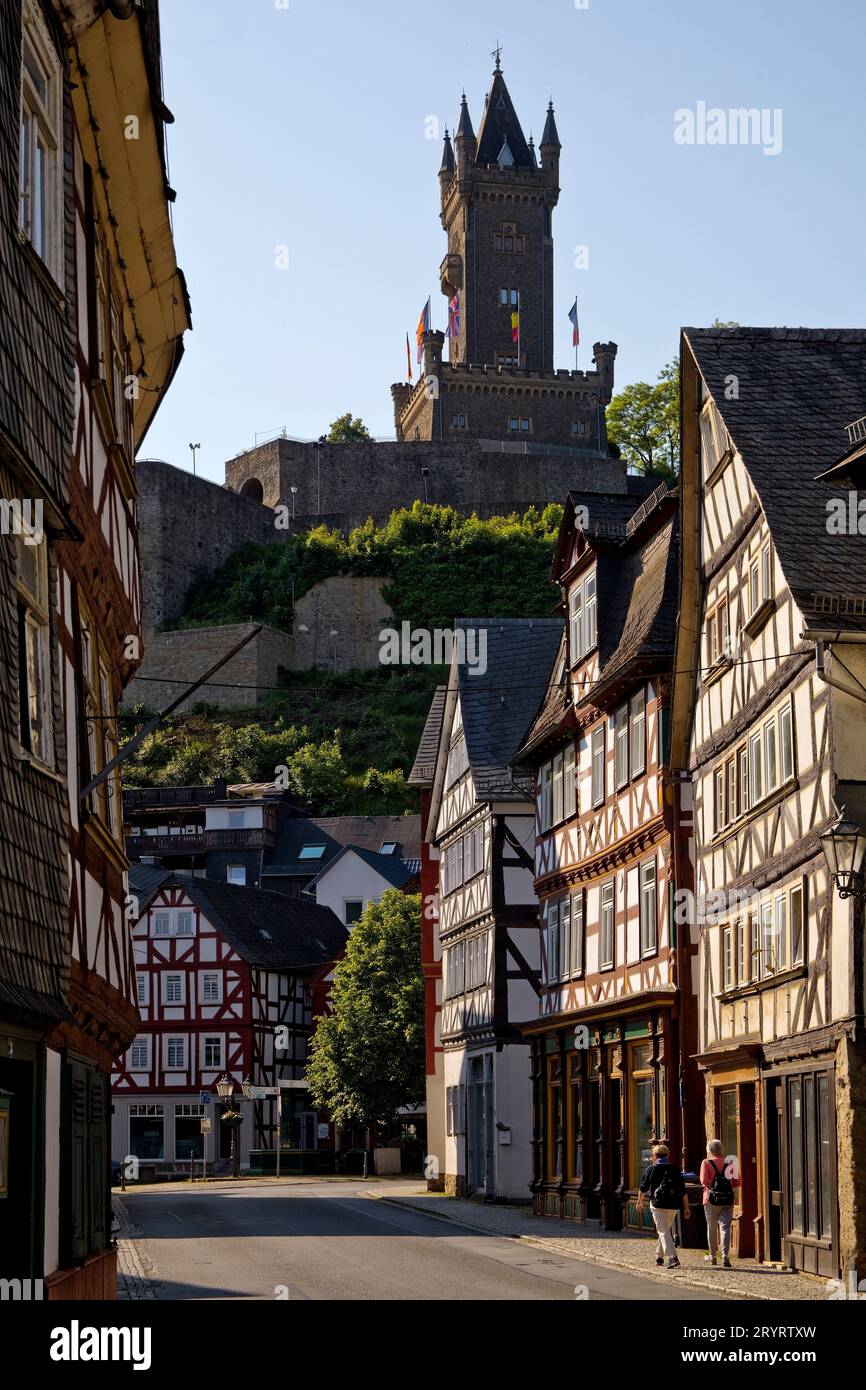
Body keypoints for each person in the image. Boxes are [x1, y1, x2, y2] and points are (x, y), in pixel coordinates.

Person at [637, 1142, 691, 1269]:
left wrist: (639, 1202)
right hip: (673, 1204)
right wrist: (687, 1207)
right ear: (668, 1155)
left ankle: (673, 1258)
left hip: (657, 1204)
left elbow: (643, 1188)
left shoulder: (651, 1168)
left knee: (663, 1231)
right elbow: (683, 1190)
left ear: (655, 1155)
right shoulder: (675, 1169)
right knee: (665, 1230)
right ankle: (659, 1257)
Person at [700, 1138, 740, 1268]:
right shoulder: (730, 1163)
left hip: (711, 1199)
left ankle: (712, 1256)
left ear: (709, 1150)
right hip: (727, 1199)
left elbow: (704, 1182)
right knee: (725, 1227)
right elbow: (737, 1182)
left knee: (711, 1226)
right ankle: (725, 1256)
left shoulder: (706, 1163)